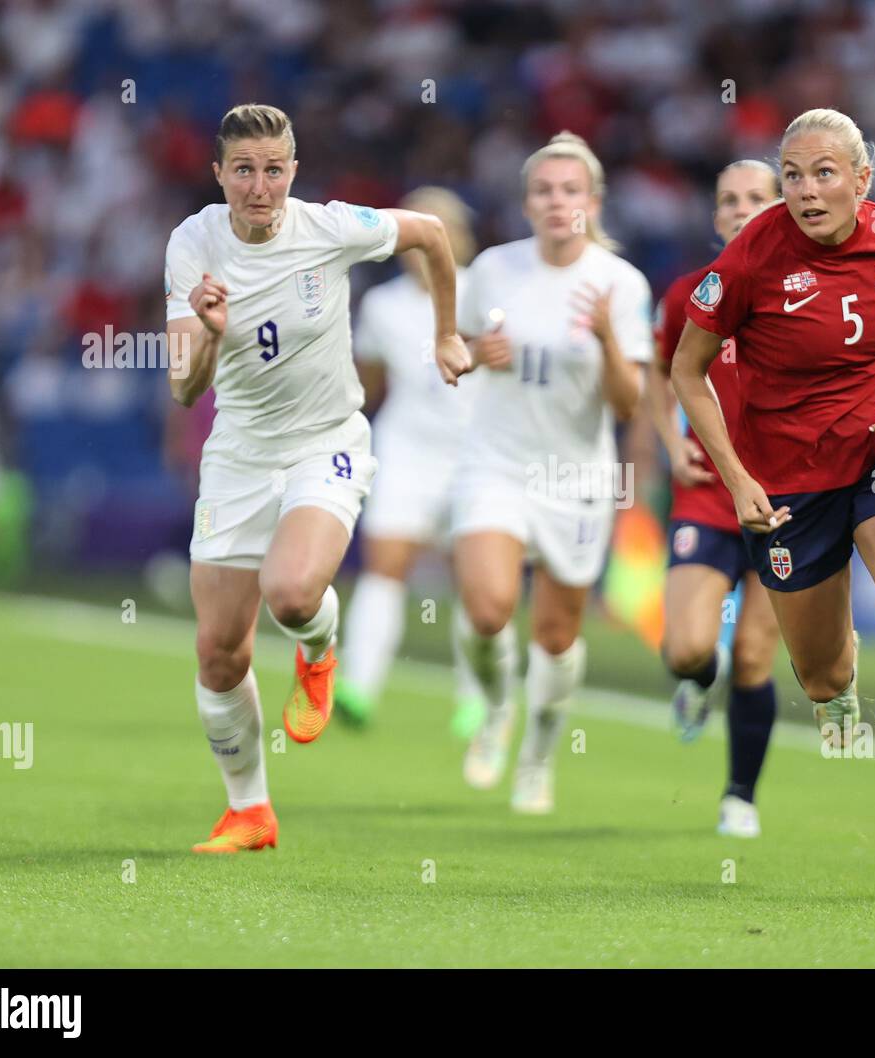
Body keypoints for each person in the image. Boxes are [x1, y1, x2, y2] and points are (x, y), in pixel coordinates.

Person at [671, 108, 875, 898]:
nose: (807, 191)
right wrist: (738, 477)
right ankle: (839, 688)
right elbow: (687, 370)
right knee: (819, 674)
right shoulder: (752, 255)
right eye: (793, 175)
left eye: (824, 173)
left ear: (861, 178)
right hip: (788, 488)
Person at [165, 104, 471, 853]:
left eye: (273, 169)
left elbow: (431, 234)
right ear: (220, 175)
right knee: (218, 650)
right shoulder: (193, 243)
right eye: (244, 170)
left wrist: (445, 332)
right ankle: (250, 811)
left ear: (292, 172)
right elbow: (182, 387)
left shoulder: (331, 227)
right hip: (239, 455)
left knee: (294, 591)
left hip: (324, 443)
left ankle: (318, 647)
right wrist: (205, 330)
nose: (259, 187)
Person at [452, 131, 653, 814]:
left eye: (571, 189)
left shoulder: (620, 285)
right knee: (487, 609)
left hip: (575, 476)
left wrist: (604, 339)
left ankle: (538, 750)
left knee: (557, 636)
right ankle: (495, 706)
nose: (557, 200)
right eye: (544, 189)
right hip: (497, 460)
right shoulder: (492, 269)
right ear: (527, 201)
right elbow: (451, 355)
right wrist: (478, 351)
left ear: (592, 202)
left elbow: (629, 404)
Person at [651, 158, 841, 841]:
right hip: (707, 495)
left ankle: (740, 796)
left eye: (755, 197)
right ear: (715, 215)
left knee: (760, 657)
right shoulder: (686, 296)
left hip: (787, 499)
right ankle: (702, 677)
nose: (740, 209)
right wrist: (669, 445)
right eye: (727, 199)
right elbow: (659, 373)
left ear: (782, 205)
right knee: (684, 649)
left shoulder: (813, 290)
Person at [334, 187, 485, 737]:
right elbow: (368, 385)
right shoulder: (382, 306)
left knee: (477, 580)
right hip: (407, 448)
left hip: (478, 452)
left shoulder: (484, 294)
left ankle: (476, 699)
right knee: (386, 564)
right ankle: (359, 687)